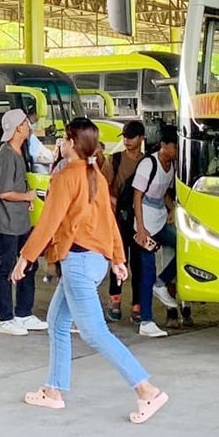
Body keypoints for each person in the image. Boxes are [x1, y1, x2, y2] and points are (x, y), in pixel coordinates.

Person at [12, 117, 170, 424]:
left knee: (94, 332)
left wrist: (25, 258)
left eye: (63, 138)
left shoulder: (68, 176)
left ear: (72, 143)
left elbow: (49, 222)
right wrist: (118, 258)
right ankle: (53, 390)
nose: (60, 142)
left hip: (79, 263)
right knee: (58, 323)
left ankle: (146, 390)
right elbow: (109, 220)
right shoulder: (93, 173)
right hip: (94, 261)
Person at [0, 108, 47, 336]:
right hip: (7, 223)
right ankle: (4, 318)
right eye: (24, 123)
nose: (28, 126)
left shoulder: (18, 152)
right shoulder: (6, 155)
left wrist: (26, 200)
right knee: (6, 268)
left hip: (20, 220)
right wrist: (27, 196)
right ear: (16, 129)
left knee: (28, 264)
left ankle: (23, 313)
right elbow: (4, 191)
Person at [132, 125, 181, 338]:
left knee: (184, 248)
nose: (177, 150)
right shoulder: (148, 164)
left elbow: (164, 193)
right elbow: (137, 197)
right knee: (147, 272)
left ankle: (161, 282)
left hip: (160, 219)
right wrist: (141, 229)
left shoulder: (172, 165)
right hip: (145, 222)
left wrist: (171, 209)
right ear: (164, 145)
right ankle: (146, 320)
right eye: (175, 146)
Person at [100, 120, 147, 322]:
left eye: (131, 137)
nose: (127, 141)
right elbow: (102, 186)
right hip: (118, 218)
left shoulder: (147, 162)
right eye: (125, 137)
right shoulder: (114, 160)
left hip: (140, 219)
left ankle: (137, 304)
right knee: (118, 260)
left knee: (138, 263)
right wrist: (114, 202)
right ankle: (115, 300)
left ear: (142, 138)